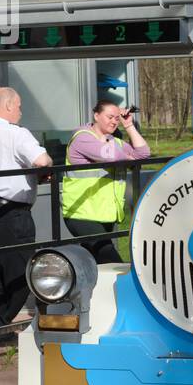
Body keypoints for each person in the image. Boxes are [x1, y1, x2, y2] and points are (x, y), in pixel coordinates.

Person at [0, 87, 52, 347]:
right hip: (11, 211)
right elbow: (42, 161)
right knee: (25, 274)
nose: (20, 110)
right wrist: (44, 169)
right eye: (18, 105)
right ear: (8, 106)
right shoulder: (16, 134)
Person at [63, 100, 150, 263]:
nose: (114, 121)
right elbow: (111, 155)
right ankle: (121, 286)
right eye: (110, 117)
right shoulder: (82, 138)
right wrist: (128, 158)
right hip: (81, 213)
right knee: (109, 257)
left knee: (94, 262)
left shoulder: (114, 141)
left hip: (103, 213)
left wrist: (129, 126)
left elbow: (143, 153)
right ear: (96, 115)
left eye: (117, 118)